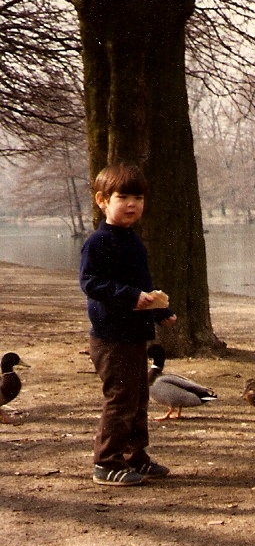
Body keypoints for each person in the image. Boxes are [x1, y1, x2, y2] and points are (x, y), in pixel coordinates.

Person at [80, 163, 176, 486]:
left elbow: (144, 284)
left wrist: (159, 310)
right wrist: (130, 296)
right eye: (123, 196)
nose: (132, 203)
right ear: (102, 200)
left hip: (135, 334)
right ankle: (106, 462)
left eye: (138, 197)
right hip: (110, 337)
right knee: (120, 398)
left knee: (138, 397)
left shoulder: (133, 241)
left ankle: (135, 456)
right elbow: (91, 283)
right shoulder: (98, 242)